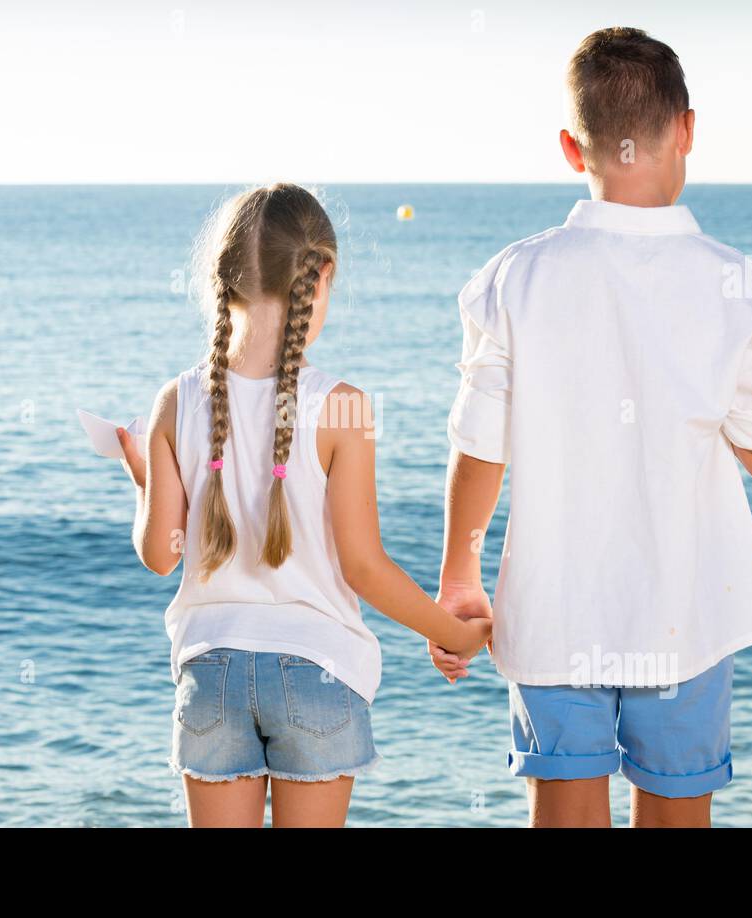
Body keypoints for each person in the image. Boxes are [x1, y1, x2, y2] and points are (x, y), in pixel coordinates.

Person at [430, 27, 752, 828]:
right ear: (688, 129)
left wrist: (460, 576)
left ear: (572, 146)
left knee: (564, 814)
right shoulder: (737, 286)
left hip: (554, 605)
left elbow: (479, 448)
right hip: (685, 614)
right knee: (676, 814)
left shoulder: (512, 279)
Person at [119, 183, 491, 828]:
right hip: (318, 673)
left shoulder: (175, 401)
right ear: (323, 276)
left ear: (220, 281)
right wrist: (452, 633)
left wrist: (145, 480)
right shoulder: (344, 405)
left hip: (211, 676)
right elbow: (364, 566)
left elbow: (159, 557)